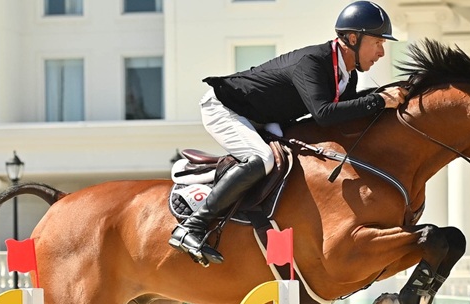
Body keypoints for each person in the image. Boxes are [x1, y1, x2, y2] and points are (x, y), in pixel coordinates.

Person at [170, 0, 409, 266]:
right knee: (262, 159)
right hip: (226, 107)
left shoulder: (347, 75)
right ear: (353, 38)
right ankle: (191, 227)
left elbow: (345, 116)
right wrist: (379, 100)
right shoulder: (314, 62)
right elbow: (324, 114)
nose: (381, 53)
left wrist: (386, 99)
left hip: (266, 118)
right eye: (377, 43)